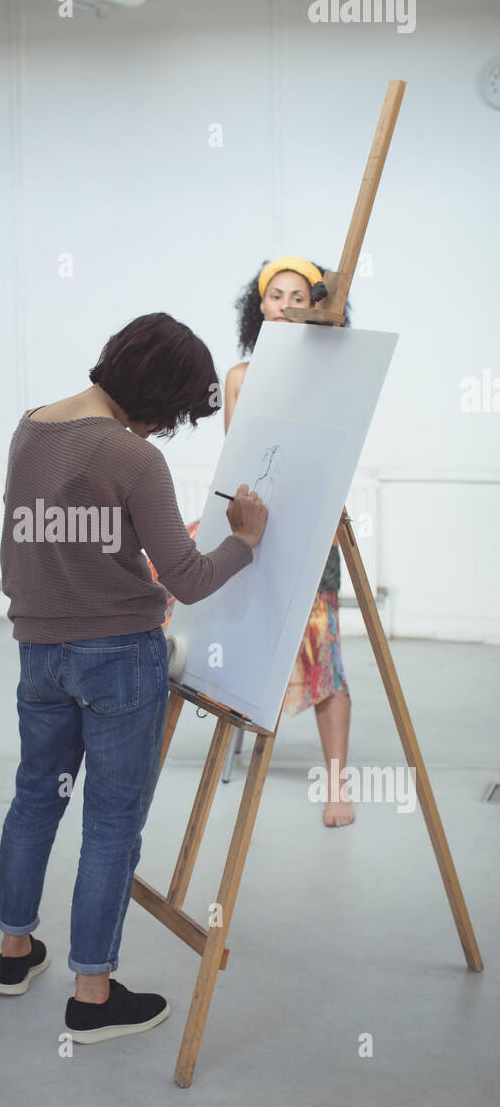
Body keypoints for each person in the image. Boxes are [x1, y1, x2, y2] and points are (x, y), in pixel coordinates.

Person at [0, 312, 268, 1043]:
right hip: (116, 657)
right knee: (112, 825)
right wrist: (244, 539)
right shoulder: (130, 456)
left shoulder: (31, 427)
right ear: (159, 393)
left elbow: (30, 541)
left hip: (38, 654)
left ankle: (14, 953)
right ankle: (93, 996)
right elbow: (188, 575)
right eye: (175, 410)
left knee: (33, 801)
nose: (167, 427)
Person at [226, 256, 354, 827]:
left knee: (324, 650)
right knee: (240, 633)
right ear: (259, 308)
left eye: (298, 297)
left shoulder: (334, 373)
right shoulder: (239, 378)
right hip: (254, 527)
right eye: (275, 296)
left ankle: (337, 786)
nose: (285, 304)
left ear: (316, 307)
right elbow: (242, 460)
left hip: (314, 527)